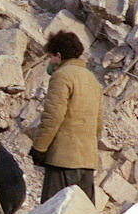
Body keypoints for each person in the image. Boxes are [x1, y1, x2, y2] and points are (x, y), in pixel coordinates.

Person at [31, 31, 104, 204]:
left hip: (62, 161)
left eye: (51, 57)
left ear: (58, 55)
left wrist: (39, 149)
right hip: (87, 162)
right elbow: (98, 124)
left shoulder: (61, 76)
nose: (50, 62)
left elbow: (52, 117)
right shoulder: (92, 79)